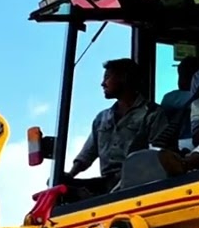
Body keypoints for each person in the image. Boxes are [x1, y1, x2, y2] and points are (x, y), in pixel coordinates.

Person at [66, 58, 165, 191]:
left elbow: (158, 155)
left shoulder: (152, 114)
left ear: (124, 78)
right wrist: (69, 176)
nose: (103, 83)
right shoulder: (102, 118)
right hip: (106, 184)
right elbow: (87, 154)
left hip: (137, 183)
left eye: (107, 77)